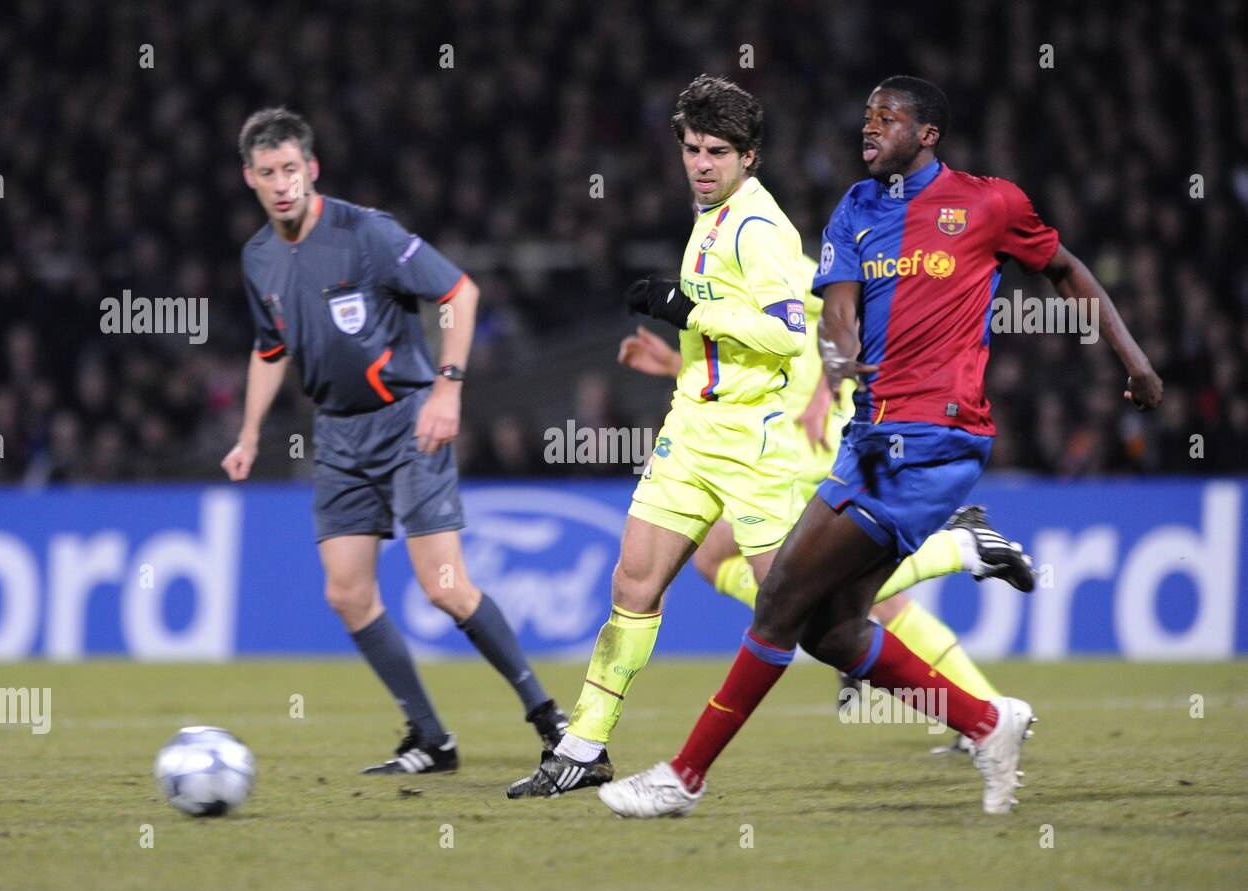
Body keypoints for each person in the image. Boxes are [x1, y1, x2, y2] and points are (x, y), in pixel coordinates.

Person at [598, 75, 1163, 818]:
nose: (869, 128)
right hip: (868, 438)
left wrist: (1134, 360)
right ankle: (990, 722)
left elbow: (1065, 269)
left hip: (936, 439)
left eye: (887, 118)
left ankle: (684, 777)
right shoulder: (855, 210)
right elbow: (835, 310)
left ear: (927, 134)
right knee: (833, 632)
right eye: (866, 117)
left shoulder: (989, 203)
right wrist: (836, 357)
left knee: (780, 601)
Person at [507, 76, 1029, 801]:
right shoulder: (708, 218)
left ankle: (959, 557)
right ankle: (584, 743)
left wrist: (685, 313)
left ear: (749, 157)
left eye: (717, 151)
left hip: (755, 442)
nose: (701, 163)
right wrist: (678, 353)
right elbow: (722, 337)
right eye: (691, 148)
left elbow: (790, 333)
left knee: (807, 611)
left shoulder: (760, 228)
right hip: (692, 431)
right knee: (634, 580)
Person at [222, 107, 567, 775]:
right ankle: (432, 738)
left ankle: (548, 717)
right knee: (347, 594)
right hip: (338, 434)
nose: (283, 183)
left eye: (292, 169)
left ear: (312, 169)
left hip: (408, 420)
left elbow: (459, 295)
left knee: (443, 585)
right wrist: (248, 432)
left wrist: (447, 388)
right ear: (250, 179)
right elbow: (270, 350)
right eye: (268, 174)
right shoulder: (258, 258)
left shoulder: (366, 232)